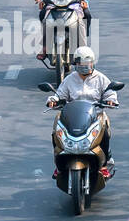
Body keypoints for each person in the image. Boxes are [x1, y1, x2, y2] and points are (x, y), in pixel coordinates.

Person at [47, 46, 117, 176]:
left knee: (105, 131)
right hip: (73, 116)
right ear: (76, 64)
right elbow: (60, 94)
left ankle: (104, 164)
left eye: (88, 64)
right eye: (81, 64)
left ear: (92, 63)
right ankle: (59, 164)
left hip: (95, 115)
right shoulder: (70, 79)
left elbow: (110, 93)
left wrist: (111, 100)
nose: (85, 67)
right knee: (56, 130)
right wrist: (53, 100)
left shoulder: (101, 78)